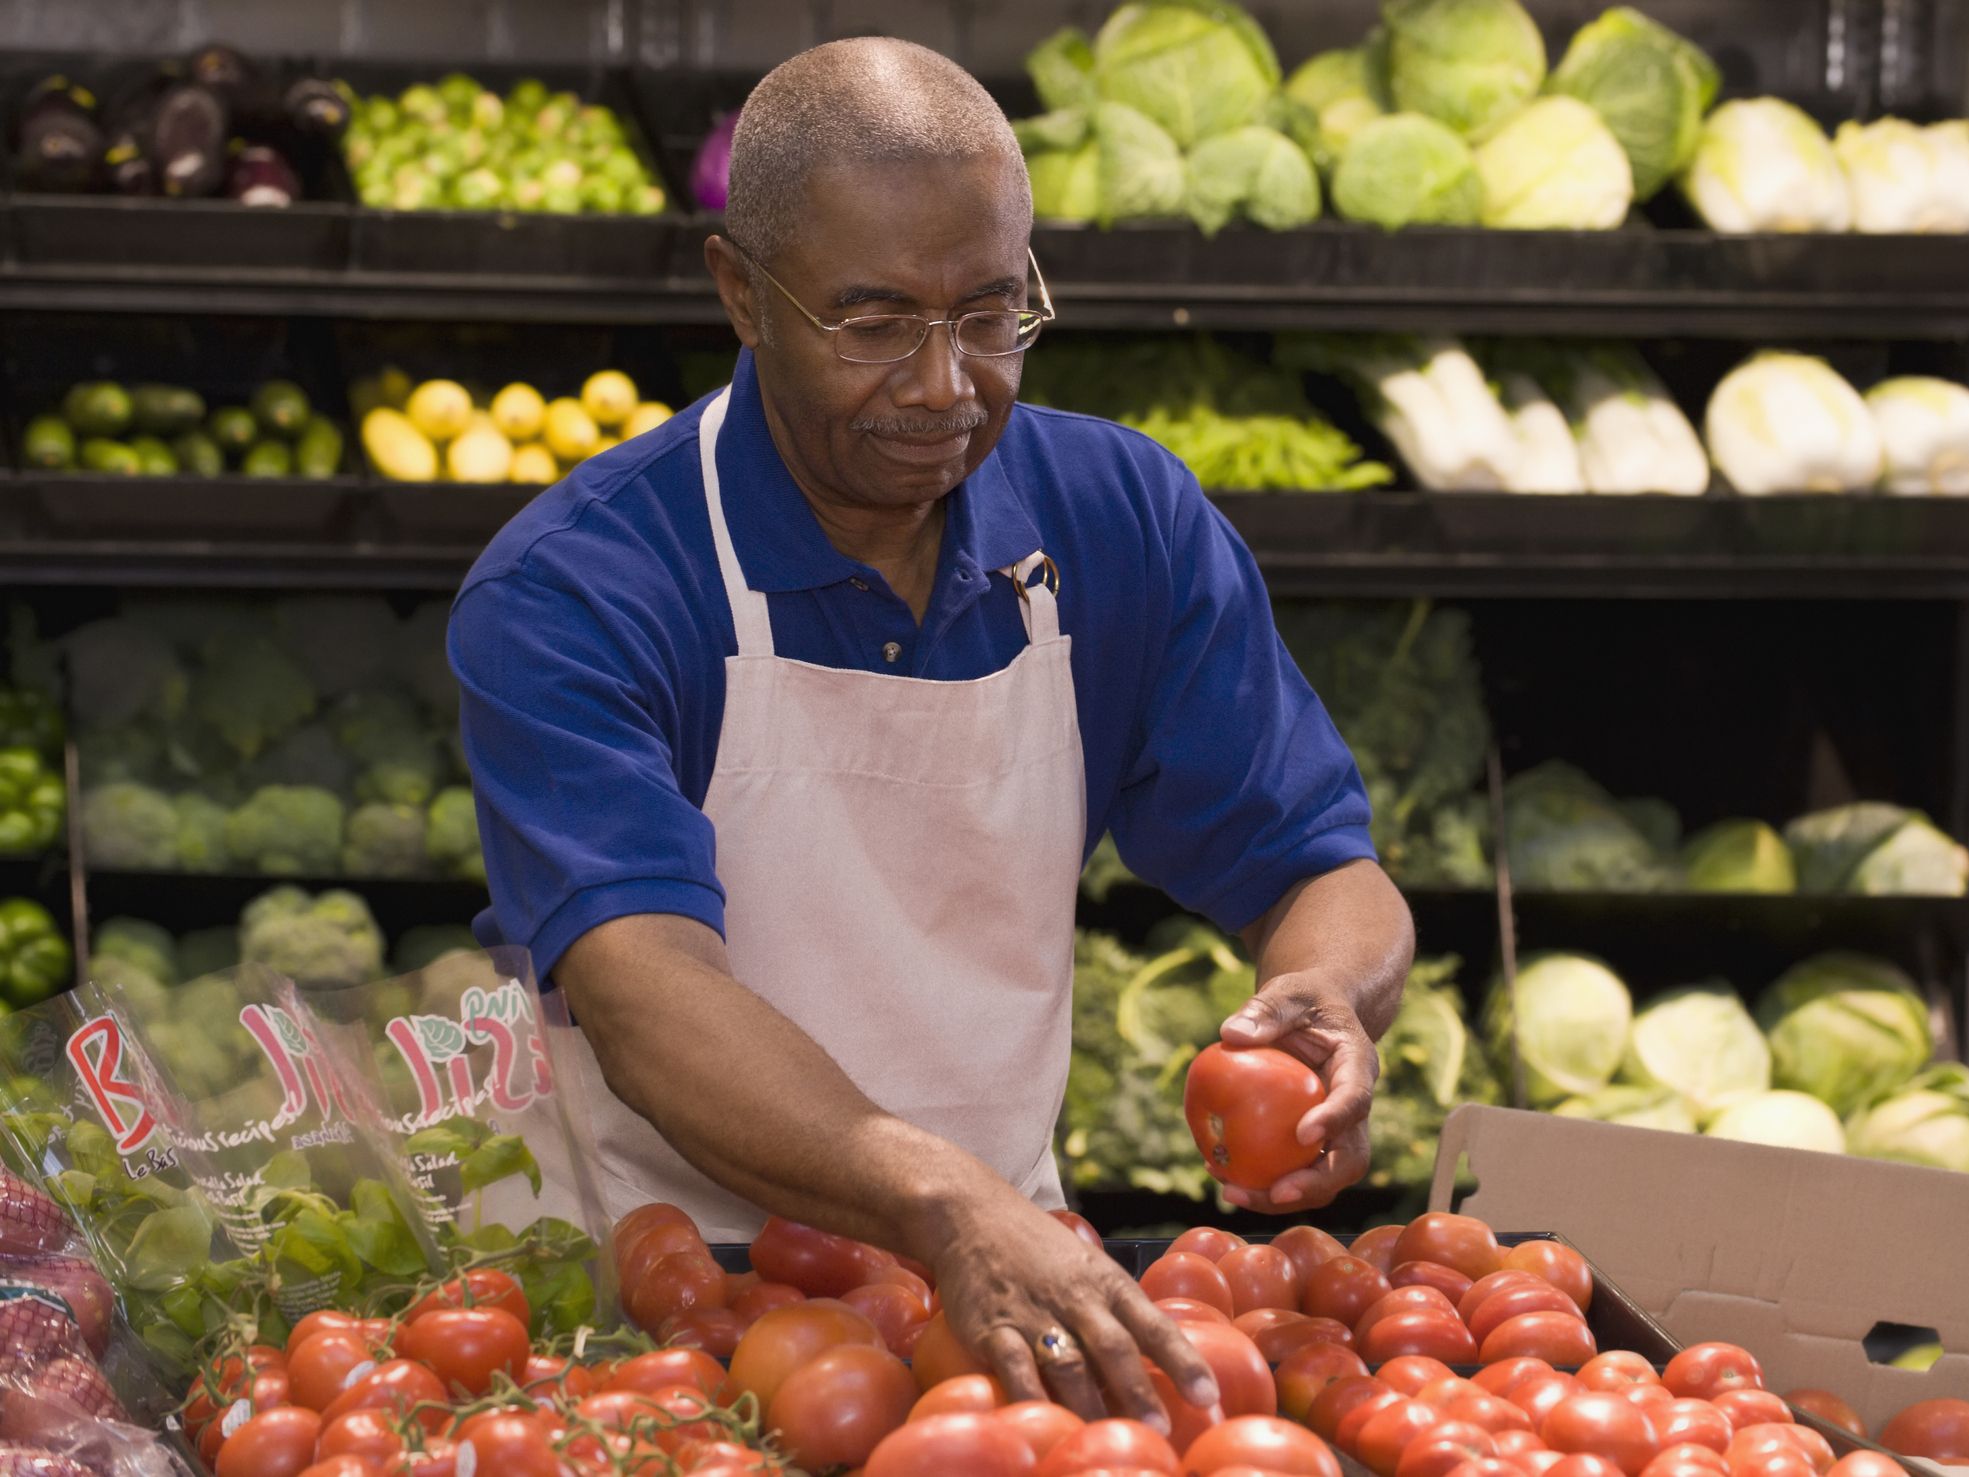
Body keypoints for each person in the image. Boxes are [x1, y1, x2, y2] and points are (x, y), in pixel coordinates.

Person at [448, 36, 1414, 1427]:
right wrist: (939, 1198)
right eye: (875, 322)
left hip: (1002, 1284)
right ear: (741, 292)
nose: (945, 384)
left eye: (991, 313)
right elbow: (645, 994)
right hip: (655, 1292)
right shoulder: (580, 588)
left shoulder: (1118, 518)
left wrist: (1325, 987)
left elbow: (1315, 861)